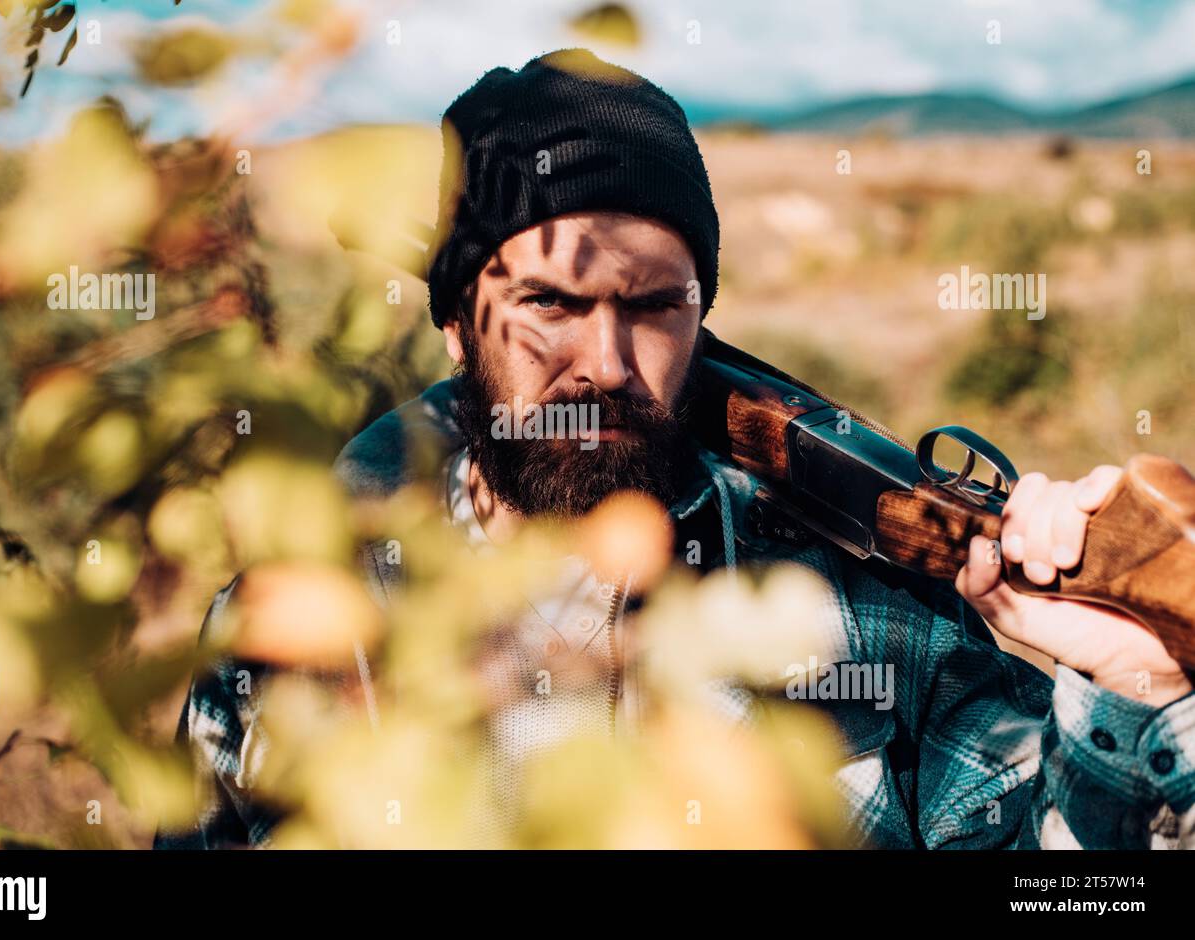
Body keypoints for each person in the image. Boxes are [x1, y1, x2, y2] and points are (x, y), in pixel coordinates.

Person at [159, 48, 1195, 849]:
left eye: (654, 305)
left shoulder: (858, 599)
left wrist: (1130, 689)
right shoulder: (302, 613)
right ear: (454, 324)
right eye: (550, 305)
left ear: (701, 318)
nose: (605, 362)